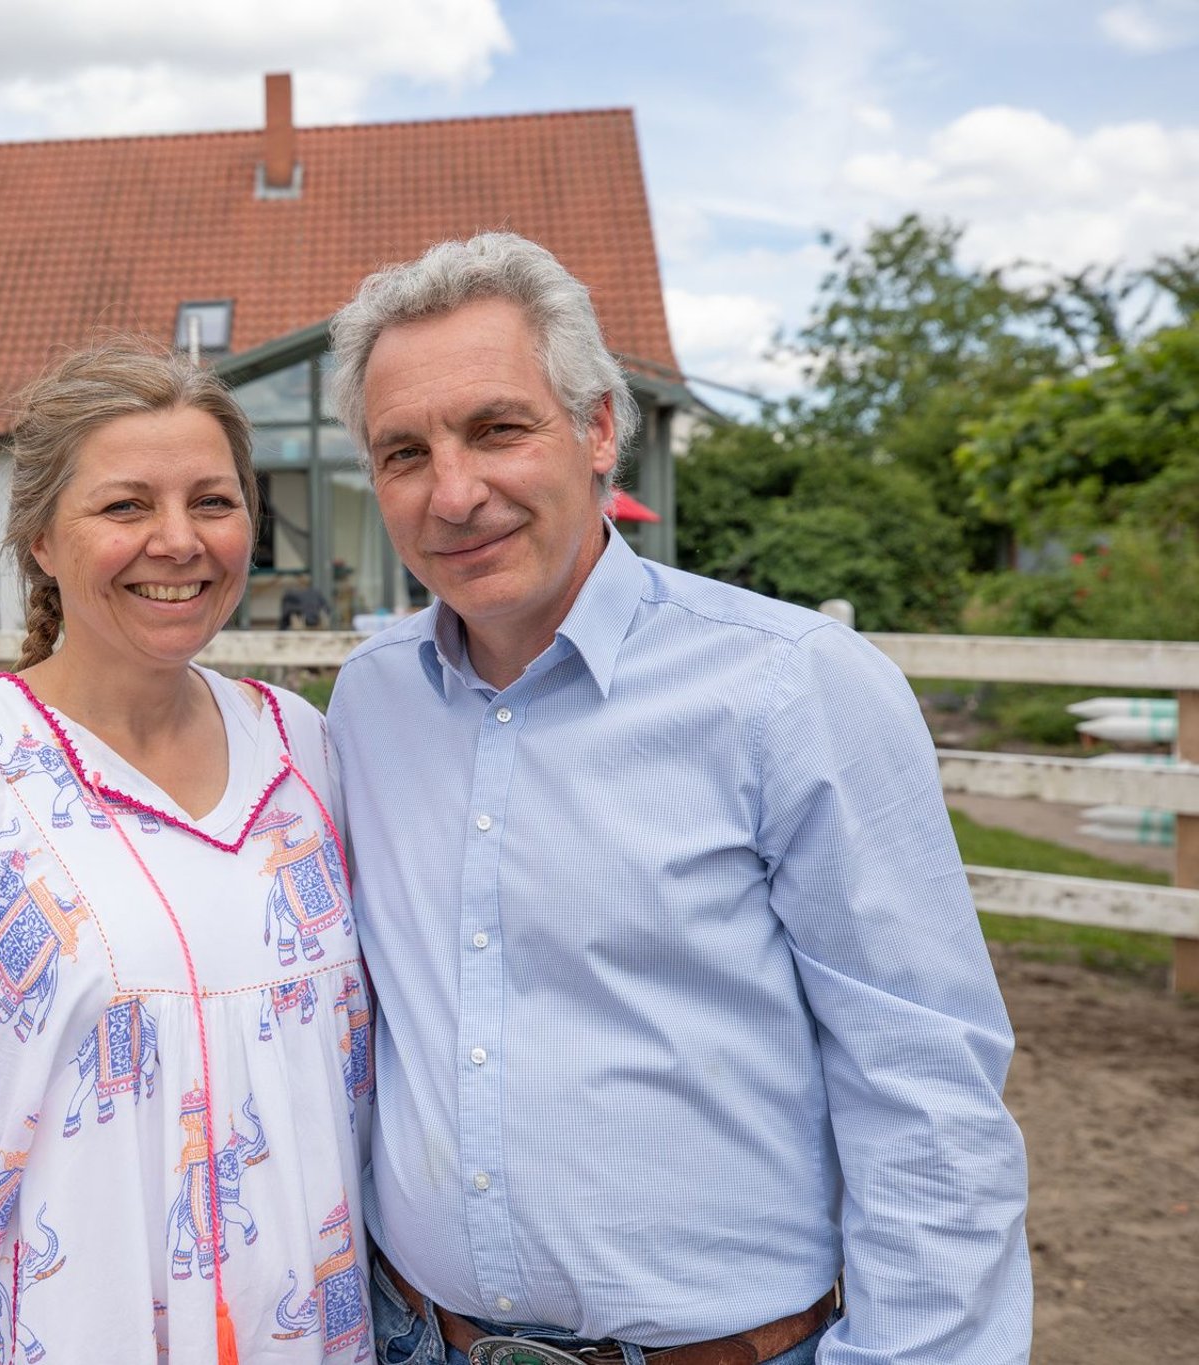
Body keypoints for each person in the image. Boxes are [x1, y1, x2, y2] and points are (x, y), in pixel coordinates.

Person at [324, 233, 1032, 1365]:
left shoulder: (788, 688)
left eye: (497, 429)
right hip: (420, 1340)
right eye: (402, 452)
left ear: (597, 429)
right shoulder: (366, 707)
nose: (453, 493)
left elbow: (923, 1092)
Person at [0, 342, 373, 1364]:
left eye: (211, 502)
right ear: (40, 537)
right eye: (125, 507)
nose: (176, 542)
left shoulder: (303, 746)